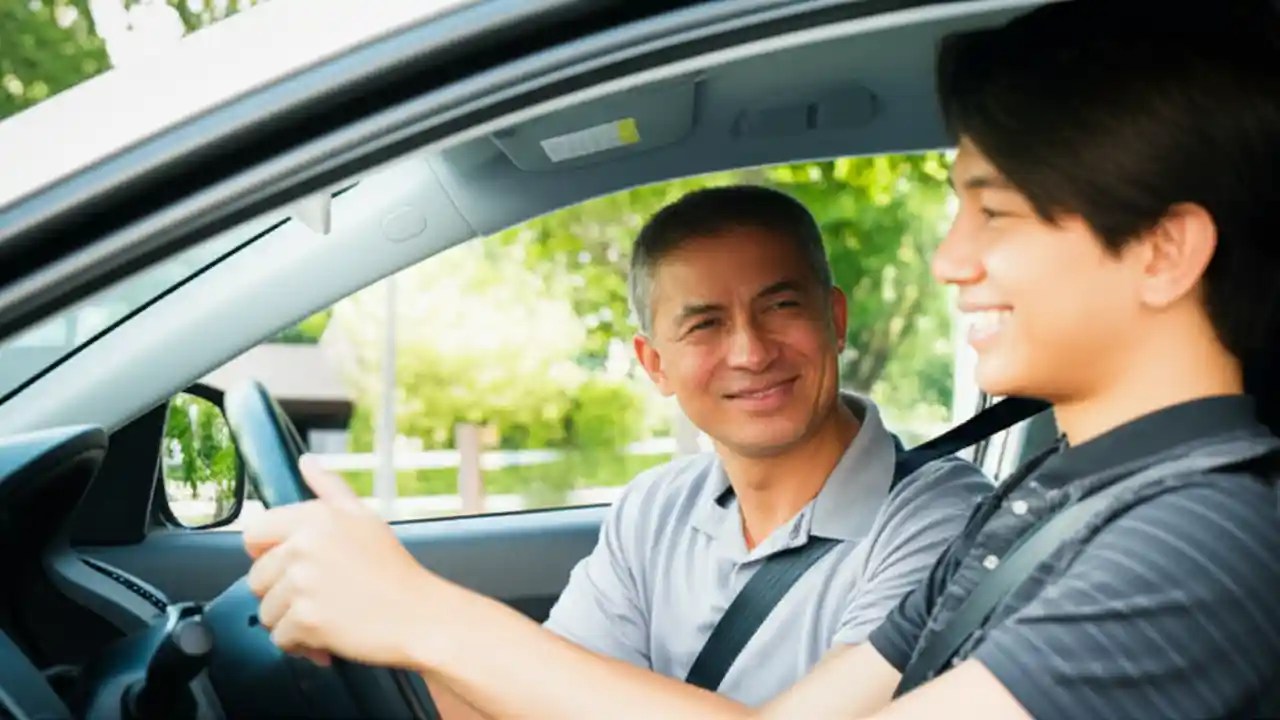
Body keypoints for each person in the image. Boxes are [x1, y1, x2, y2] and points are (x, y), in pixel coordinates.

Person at [242, 1, 1280, 718]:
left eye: (993, 215)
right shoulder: (1049, 503)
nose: (947, 259)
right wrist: (403, 627)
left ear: (1161, 251)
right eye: (958, 211)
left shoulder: (1201, 543)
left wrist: (421, 613)